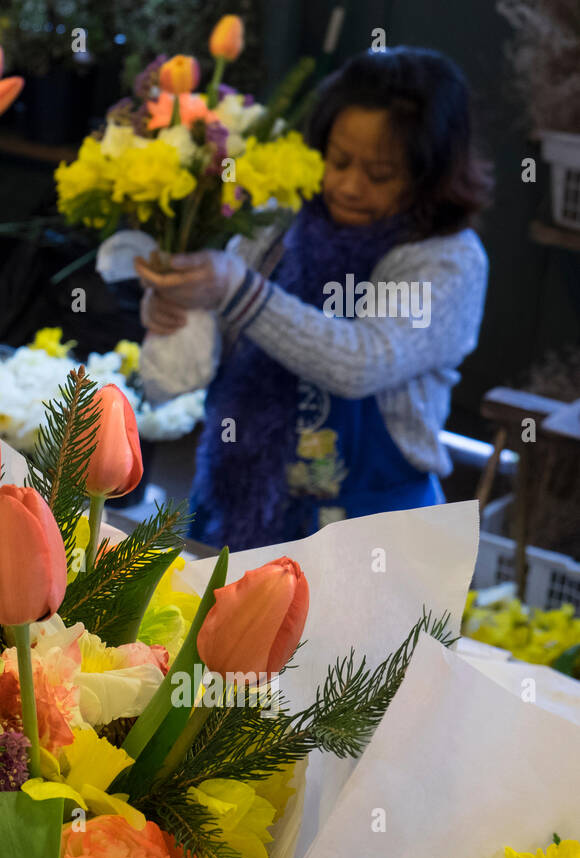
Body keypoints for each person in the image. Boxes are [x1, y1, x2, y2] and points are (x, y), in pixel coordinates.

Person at [136, 47, 493, 549]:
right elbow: (222, 329)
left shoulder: (447, 260)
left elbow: (359, 361)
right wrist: (174, 309)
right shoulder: (278, 218)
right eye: (338, 160)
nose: (348, 185)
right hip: (232, 508)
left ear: (431, 172)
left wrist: (236, 290)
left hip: (372, 537)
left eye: (380, 174)